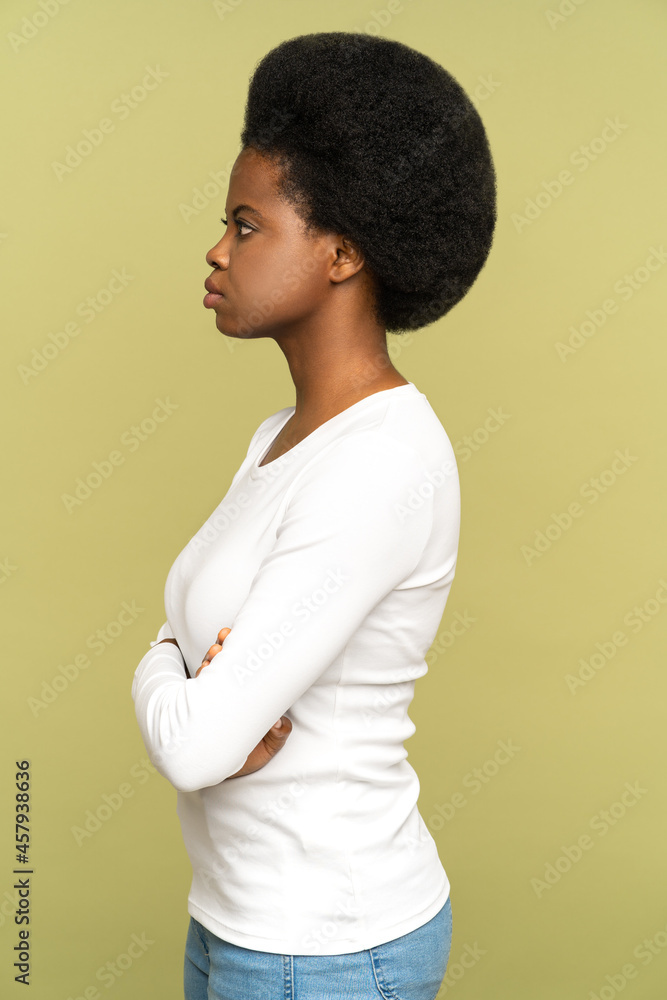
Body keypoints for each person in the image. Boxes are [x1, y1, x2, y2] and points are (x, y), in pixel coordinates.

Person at [132, 30, 496, 1000]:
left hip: (324, 946)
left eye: (247, 226)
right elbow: (182, 670)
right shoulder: (280, 438)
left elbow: (196, 744)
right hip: (237, 917)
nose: (216, 249)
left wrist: (178, 683)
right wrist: (179, 675)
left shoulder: (379, 462)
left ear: (340, 253)